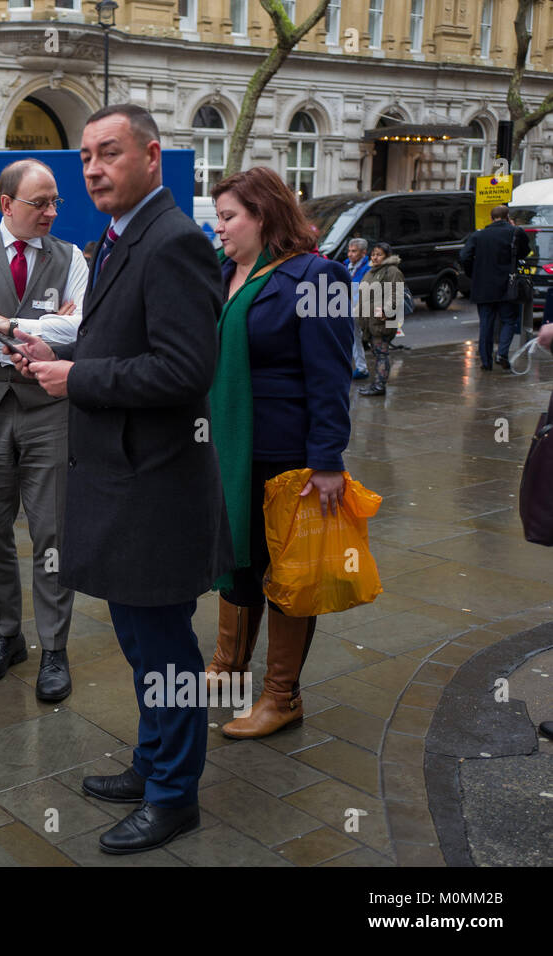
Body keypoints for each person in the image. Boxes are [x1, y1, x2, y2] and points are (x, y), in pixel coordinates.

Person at [8, 105, 232, 855]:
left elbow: (186, 368)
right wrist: (52, 352)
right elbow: (121, 338)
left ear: (152, 157)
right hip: (124, 484)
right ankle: (153, 764)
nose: (94, 170)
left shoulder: (172, 242)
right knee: (143, 643)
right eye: (85, 159)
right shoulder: (119, 238)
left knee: (166, 650)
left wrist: (79, 377)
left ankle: (175, 796)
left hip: (157, 492)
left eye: (109, 153)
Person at [206, 166, 352, 741]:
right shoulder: (223, 275)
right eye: (218, 217)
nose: (219, 228)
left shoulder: (318, 277)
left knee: (288, 576)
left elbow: (331, 376)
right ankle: (228, 665)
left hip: (287, 457)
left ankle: (281, 695)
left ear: (263, 216)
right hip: (229, 450)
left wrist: (328, 461)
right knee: (236, 559)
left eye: (228, 217)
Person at [0, 158, 87, 701]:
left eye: (55, 203)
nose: (52, 212)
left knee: (52, 531)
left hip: (50, 410)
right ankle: (6, 636)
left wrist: (1, 322)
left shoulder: (71, 256)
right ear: (6, 205)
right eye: (39, 203)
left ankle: (54, 646)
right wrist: (37, 334)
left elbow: (78, 328)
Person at [461, 204, 531, 371]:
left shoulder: (478, 235)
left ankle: (486, 361)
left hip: (483, 286)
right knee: (508, 320)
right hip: (508, 284)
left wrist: (473, 273)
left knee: (486, 323)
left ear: (491, 218)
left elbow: (464, 256)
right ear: (507, 217)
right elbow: (524, 252)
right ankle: (502, 353)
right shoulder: (515, 232)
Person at [357, 241, 406, 397]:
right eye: (373, 254)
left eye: (379, 254)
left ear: (387, 256)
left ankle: (379, 386)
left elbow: (396, 294)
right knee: (377, 353)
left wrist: (387, 311)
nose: (375, 257)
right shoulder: (372, 271)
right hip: (370, 319)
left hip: (382, 319)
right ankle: (377, 383)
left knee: (381, 353)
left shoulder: (392, 271)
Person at [342, 238, 371, 380]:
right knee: (353, 338)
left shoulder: (368, 268)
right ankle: (361, 368)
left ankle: (364, 368)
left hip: (362, 309)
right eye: (349, 250)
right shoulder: (346, 265)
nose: (350, 254)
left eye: (354, 251)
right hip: (348, 308)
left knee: (361, 338)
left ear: (363, 253)